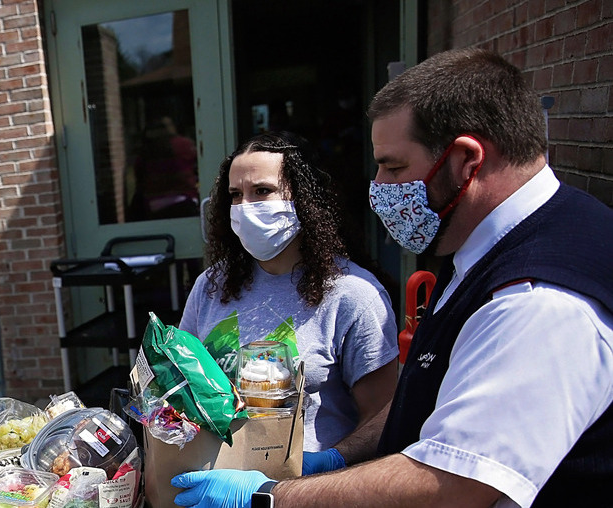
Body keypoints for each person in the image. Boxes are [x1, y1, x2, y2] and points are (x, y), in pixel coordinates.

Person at [171, 48, 613, 508]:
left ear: (466, 161)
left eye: (394, 166)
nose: (379, 185)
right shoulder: (480, 252)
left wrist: (270, 496)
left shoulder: (537, 300)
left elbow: (453, 482)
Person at [179, 131, 398, 474]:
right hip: (217, 483)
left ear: (304, 198)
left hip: (309, 491)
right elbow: (184, 387)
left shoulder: (353, 294)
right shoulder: (210, 286)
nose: (245, 207)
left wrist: (332, 460)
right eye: (235, 195)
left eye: (262, 191)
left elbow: (386, 414)